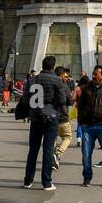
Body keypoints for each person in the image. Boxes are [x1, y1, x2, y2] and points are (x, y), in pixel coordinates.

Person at [22, 55, 68, 191]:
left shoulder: (32, 80)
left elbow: (25, 99)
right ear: (53, 67)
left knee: (33, 150)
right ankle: (46, 182)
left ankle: (28, 180)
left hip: (35, 117)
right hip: (51, 117)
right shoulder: (57, 80)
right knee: (48, 150)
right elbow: (62, 100)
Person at [53, 66, 77, 169]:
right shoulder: (64, 85)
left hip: (51, 116)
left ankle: (53, 159)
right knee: (67, 137)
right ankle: (58, 154)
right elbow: (70, 101)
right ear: (62, 75)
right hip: (62, 116)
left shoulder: (50, 83)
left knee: (53, 139)